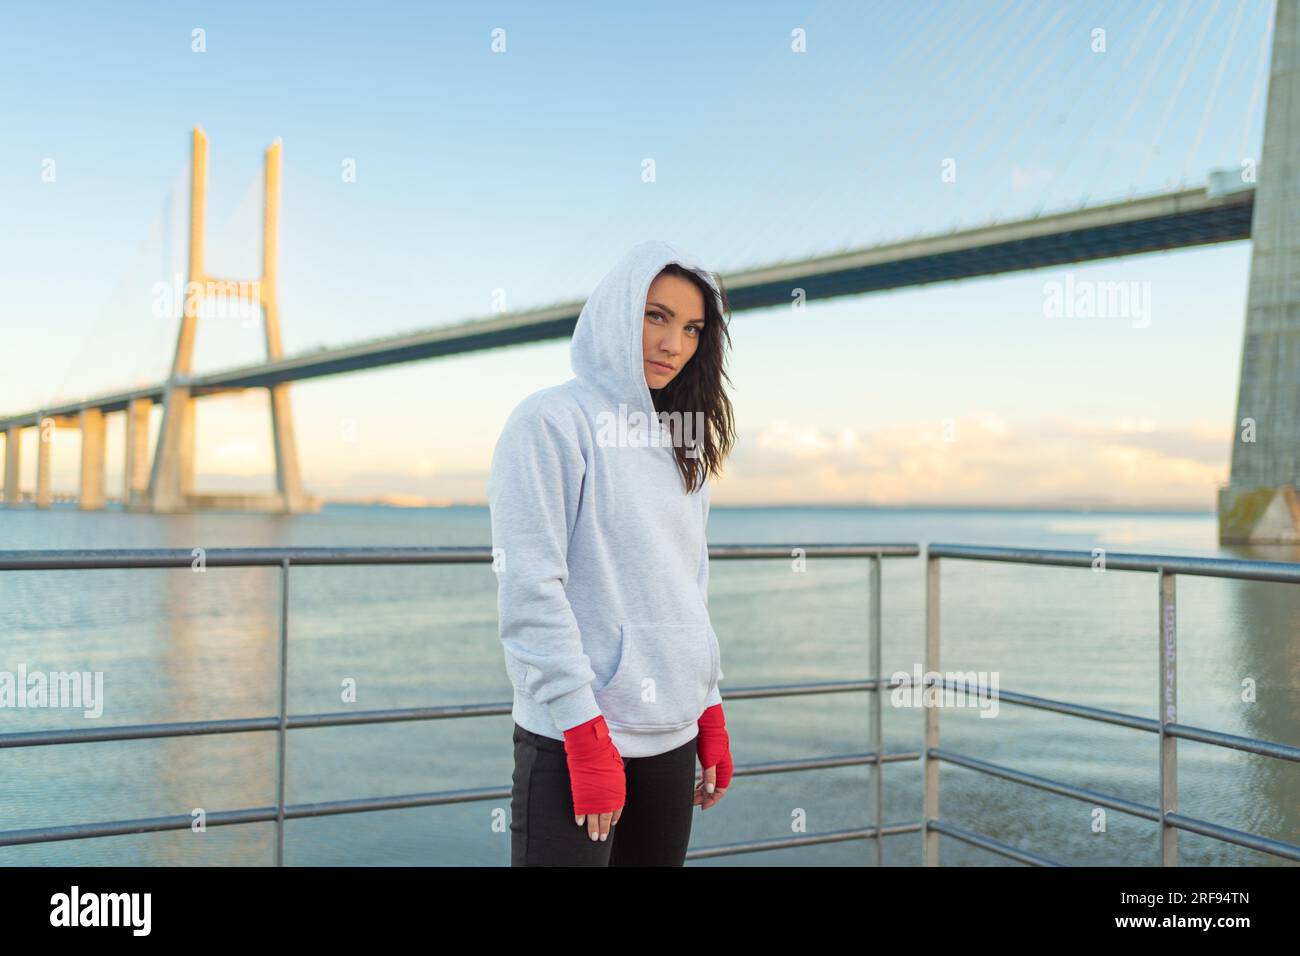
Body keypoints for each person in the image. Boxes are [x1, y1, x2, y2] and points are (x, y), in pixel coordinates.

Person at [487, 239, 737, 866]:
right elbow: (531, 587)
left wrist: (709, 707)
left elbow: (689, 585)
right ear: (617, 311)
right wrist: (581, 729)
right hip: (577, 738)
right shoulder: (549, 421)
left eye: (691, 328)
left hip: (673, 735)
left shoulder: (686, 440)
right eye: (655, 315)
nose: (673, 344)